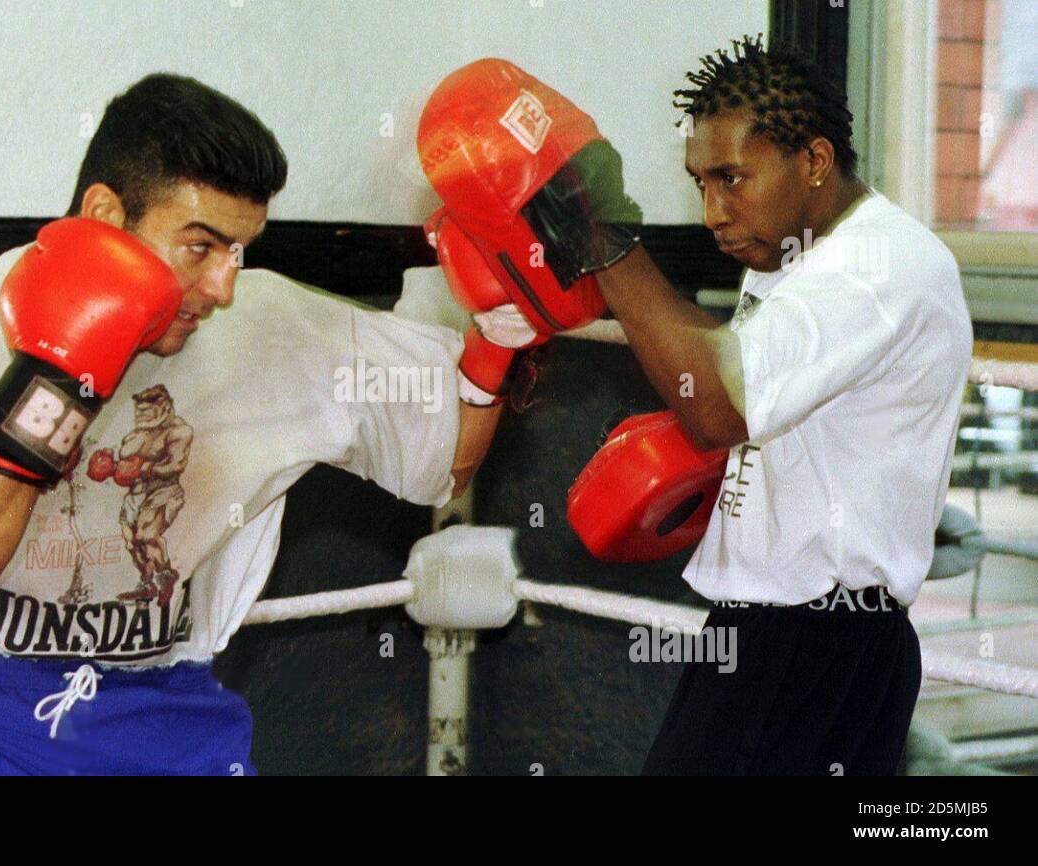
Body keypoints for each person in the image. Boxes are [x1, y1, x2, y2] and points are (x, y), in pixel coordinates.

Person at [0, 73, 509, 775]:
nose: (223, 287)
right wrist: (57, 378)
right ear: (105, 218)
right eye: (199, 246)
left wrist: (504, 337)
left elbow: (445, 461)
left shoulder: (270, 327)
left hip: (171, 712)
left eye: (239, 251)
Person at [415, 41, 972, 775]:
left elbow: (718, 407)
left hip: (823, 647)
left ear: (813, 160)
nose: (712, 212)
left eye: (732, 178)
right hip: (769, 633)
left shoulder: (876, 269)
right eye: (700, 183)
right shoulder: (796, 258)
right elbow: (733, 386)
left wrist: (601, 236)